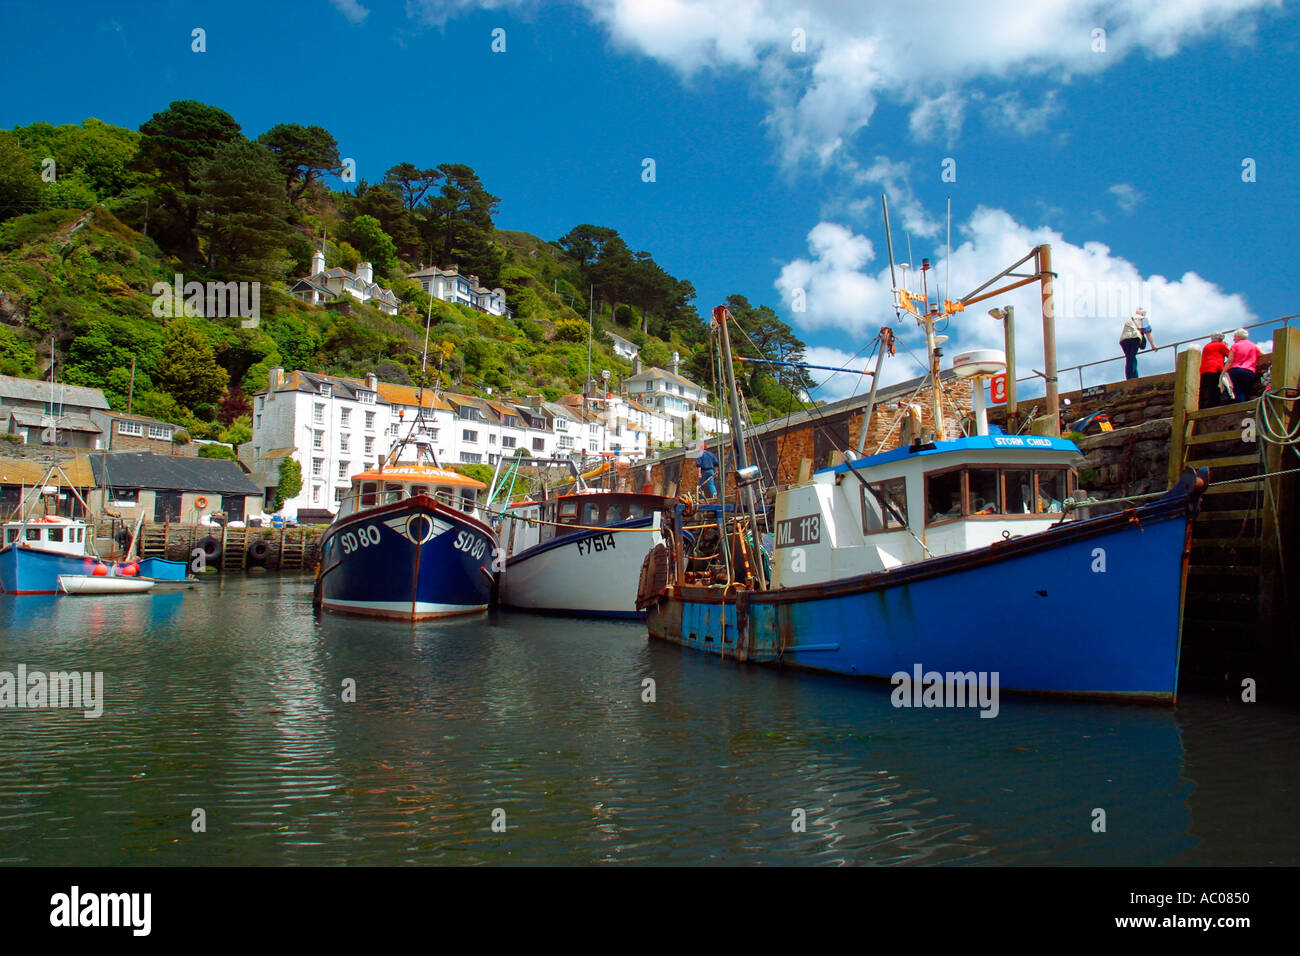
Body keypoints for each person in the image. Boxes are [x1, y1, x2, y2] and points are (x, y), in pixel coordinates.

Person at [1119, 308, 1156, 380]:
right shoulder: (1143, 319)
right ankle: (1132, 378)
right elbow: (1148, 332)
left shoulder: (1130, 319)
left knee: (1130, 358)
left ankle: (1131, 377)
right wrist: (1153, 345)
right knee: (1132, 358)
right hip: (1133, 338)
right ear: (1142, 314)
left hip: (1123, 340)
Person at [1225, 328, 1261, 402]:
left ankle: (1241, 408)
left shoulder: (1235, 346)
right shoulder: (1254, 346)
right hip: (1249, 371)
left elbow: (1229, 361)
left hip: (1235, 370)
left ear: (1239, 336)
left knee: (1238, 391)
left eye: (1234, 336)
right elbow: (1262, 354)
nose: (1233, 339)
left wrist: (1223, 372)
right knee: (1247, 390)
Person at [1198, 332, 1231, 409]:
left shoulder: (1206, 346)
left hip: (1204, 369)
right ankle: (1214, 405)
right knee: (1215, 387)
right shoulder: (1221, 345)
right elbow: (1230, 355)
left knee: (1207, 388)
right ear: (1220, 338)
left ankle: (1203, 405)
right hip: (1215, 368)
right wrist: (1226, 346)